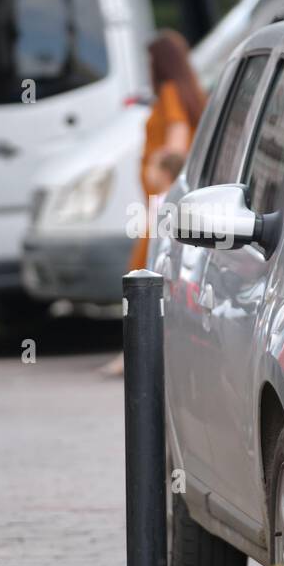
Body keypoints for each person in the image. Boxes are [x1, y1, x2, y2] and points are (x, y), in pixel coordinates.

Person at [101, 30, 206, 376]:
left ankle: (137, 350)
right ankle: (149, 349)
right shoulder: (192, 91)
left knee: (143, 271)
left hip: (162, 202)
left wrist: (158, 169)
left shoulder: (170, 92)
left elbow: (177, 136)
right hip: (169, 201)